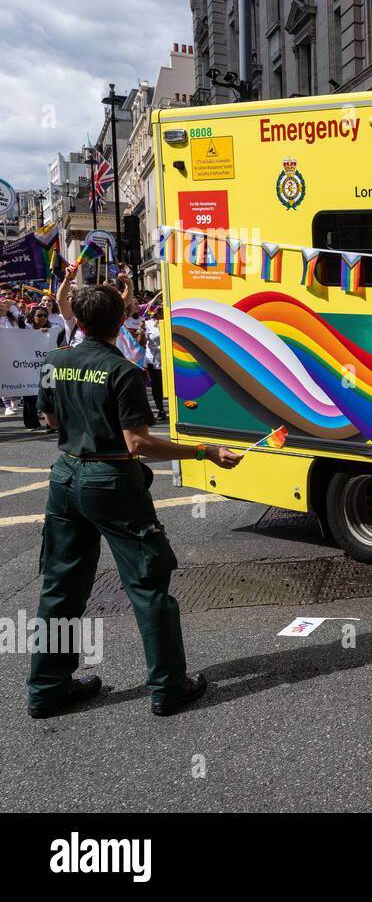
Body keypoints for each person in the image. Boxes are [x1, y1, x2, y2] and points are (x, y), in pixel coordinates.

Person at [29, 284, 243, 719]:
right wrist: (205, 451)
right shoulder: (123, 371)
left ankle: (48, 687)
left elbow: (50, 419)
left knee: (60, 587)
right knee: (147, 585)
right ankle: (167, 686)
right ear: (118, 320)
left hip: (65, 476)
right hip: (111, 480)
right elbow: (139, 443)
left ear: (81, 322)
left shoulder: (54, 362)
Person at [21, 306, 62, 431]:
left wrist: (47, 333)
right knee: (29, 395)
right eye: (39, 315)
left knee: (48, 395)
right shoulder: (27, 329)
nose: (42, 318)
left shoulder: (54, 329)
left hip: (47, 367)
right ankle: (31, 423)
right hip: (28, 366)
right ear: (32, 317)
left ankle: (51, 424)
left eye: (45, 315)